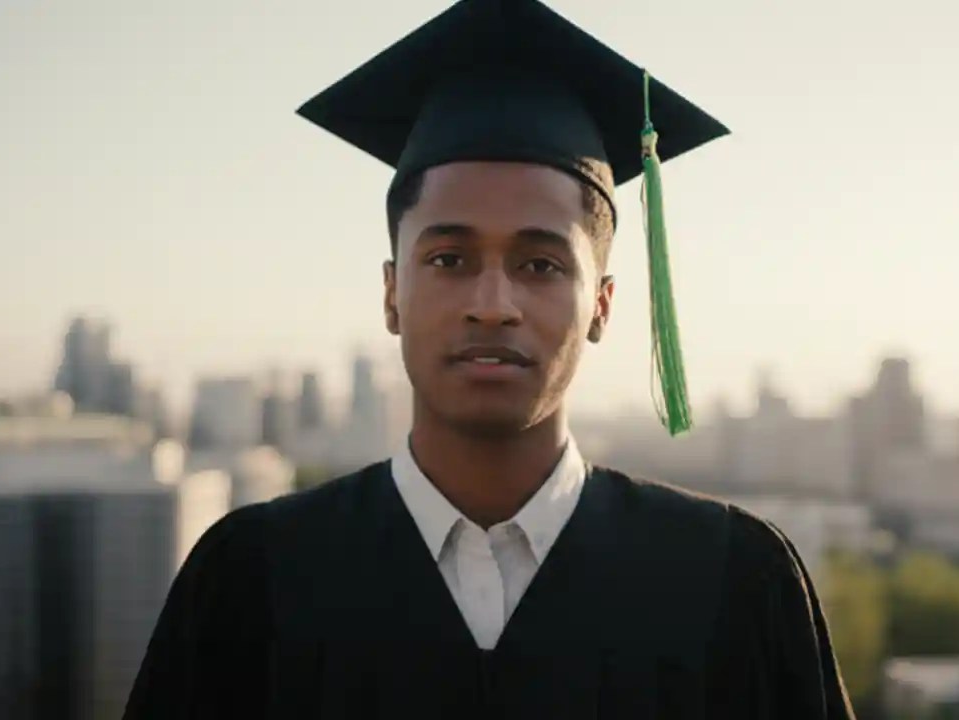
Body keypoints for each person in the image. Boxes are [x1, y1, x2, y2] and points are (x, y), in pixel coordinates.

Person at [124, 0, 854, 717]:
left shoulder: (732, 584)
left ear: (602, 306)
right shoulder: (251, 583)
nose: (493, 303)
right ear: (391, 295)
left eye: (540, 265)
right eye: (448, 258)